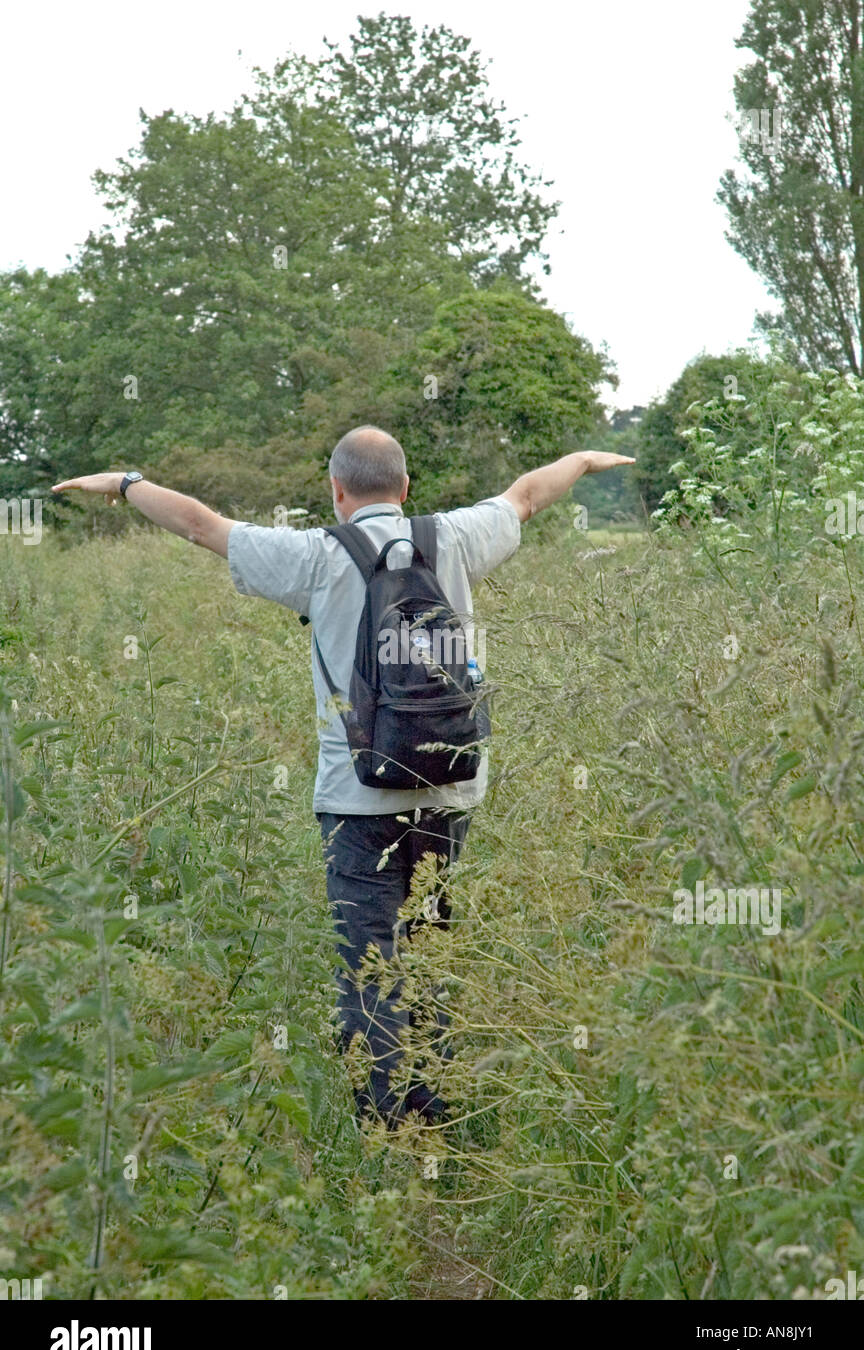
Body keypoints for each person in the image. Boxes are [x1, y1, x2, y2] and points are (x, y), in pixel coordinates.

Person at [52, 429, 634, 1126]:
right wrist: (583, 460)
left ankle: (384, 1130)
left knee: (368, 964)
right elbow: (528, 497)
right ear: (406, 487)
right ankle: (436, 1112)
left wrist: (123, 482)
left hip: (358, 798)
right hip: (450, 788)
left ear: (336, 491)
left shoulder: (312, 555)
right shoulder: (453, 538)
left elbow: (200, 524)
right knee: (431, 947)